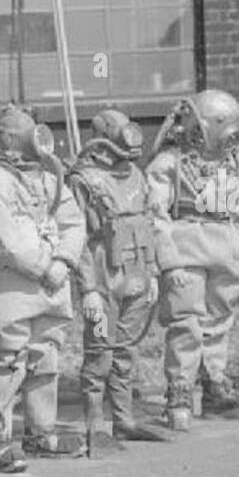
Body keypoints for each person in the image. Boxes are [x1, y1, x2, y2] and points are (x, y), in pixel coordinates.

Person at [0, 104, 87, 472]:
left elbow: (73, 222)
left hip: (50, 285)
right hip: (12, 288)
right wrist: (44, 267)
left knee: (45, 358)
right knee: (8, 362)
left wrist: (64, 261)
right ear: (7, 140)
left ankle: (40, 433)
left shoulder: (51, 180)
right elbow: (7, 240)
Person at [146, 89, 239, 430]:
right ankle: (179, 389)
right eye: (223, 124)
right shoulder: (171, 161)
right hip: (188, 247)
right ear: (202, 125)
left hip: (229, 245)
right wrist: (168, 260)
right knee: (186, 321)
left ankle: (214, 385)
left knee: (219, 319)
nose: (231, 133)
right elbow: (155, 214)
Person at [68, 108, 169, 450]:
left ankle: (124, 420)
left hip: (136, 276)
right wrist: (88, 289)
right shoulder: (82, 179)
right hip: (101, 280)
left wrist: (152, 271)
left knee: (126, 352)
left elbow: (148, 223)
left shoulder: (136, 175)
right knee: (100, 355)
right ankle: (95, 427)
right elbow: (76, 238)